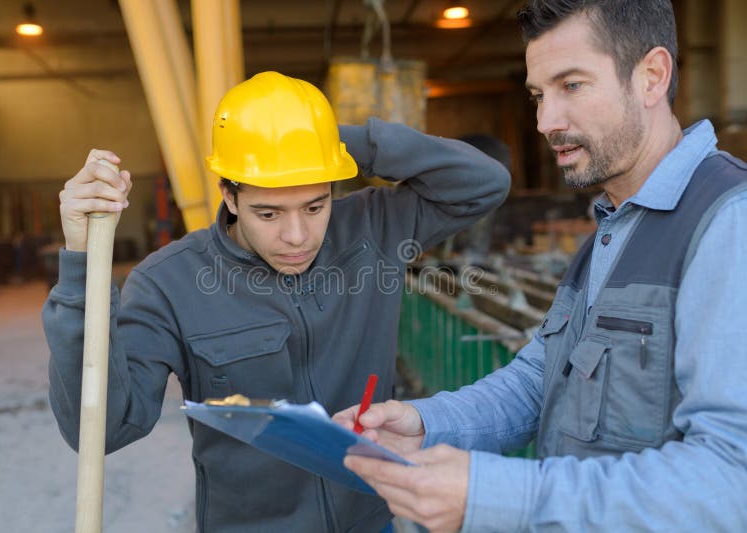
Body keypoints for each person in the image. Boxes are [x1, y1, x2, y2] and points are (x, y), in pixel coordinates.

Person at [336, 1, 747, 531]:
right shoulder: (614, 227)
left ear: (651, 76)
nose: (545, 122)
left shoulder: (727, 225)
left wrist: (495, 494)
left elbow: (729, 481)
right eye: (538, 95)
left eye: (571, 85)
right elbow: (541, 379)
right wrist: (423, 422)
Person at [42, 71, 510, 532]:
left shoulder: (372, 229)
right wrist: (81, 267)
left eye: (315, 206)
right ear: (228, 193)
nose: (297, 236)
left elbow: (483, 182)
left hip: (371, 520)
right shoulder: (169, 282)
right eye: (268, 213)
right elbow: (104, 428)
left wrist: (329, 139)